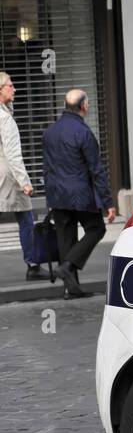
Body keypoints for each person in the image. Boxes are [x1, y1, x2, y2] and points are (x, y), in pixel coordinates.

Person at [42, 89, 115, 299]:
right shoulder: (84, 133)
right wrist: (108, 202)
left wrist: (49, 198)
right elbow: (96, 169)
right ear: (83, 106)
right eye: (88, 103)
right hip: (81, 195)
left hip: (58, 196)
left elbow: (46, 168)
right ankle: (67, 266)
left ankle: (70, 289)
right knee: (96, 228)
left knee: (66, 238)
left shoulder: (50, 132)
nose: (89, 106)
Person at [0, 72, 39, 280]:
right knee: (26, 218)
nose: (14, 89)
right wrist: (25, 182)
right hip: (9, 178)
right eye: (10, 86)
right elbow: (13, 155)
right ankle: (32, 265)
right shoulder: (5, 119)